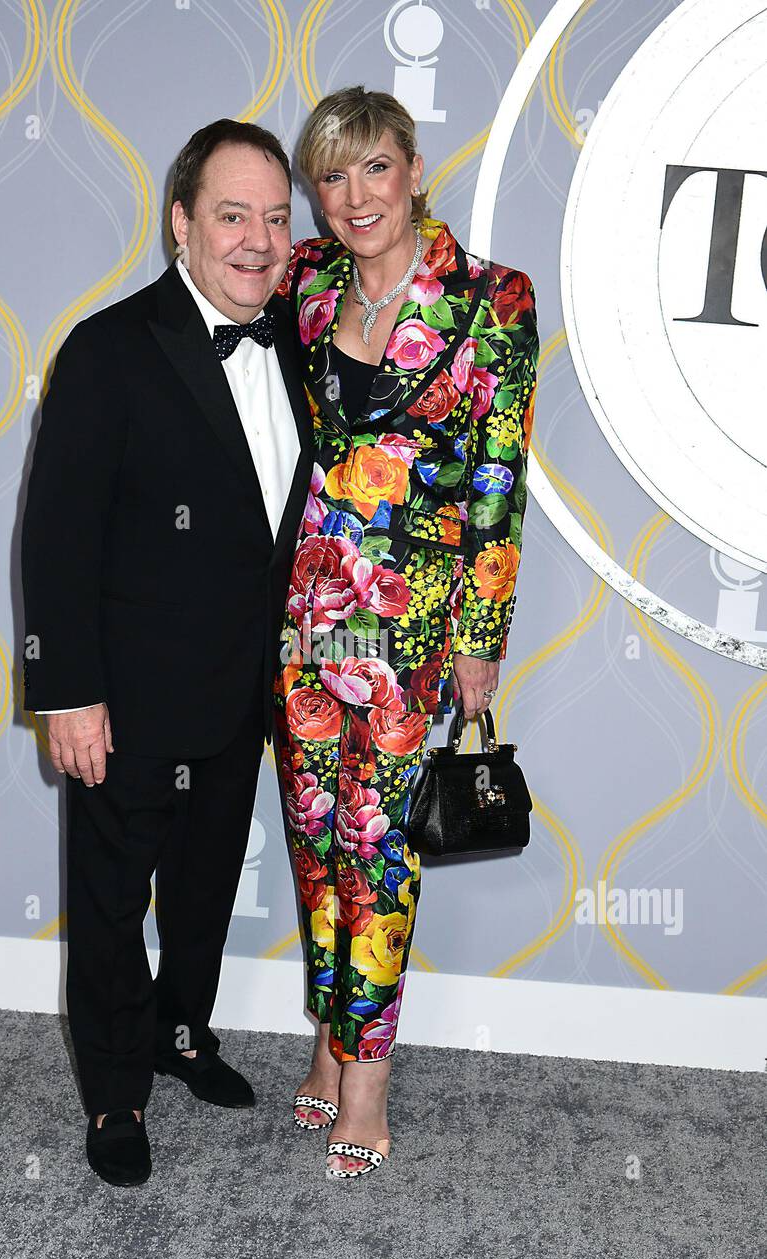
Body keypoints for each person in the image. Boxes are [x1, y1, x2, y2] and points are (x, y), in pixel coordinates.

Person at [21, 119, 313, 1186]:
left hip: (243, 694)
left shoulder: (292, 340)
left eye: (276, 219)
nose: (257, 240)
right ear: (181, 224)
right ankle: (113, 1096)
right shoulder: (108, 349)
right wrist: (68, 693)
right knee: (113, 903)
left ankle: (182, 1033)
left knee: (201, 890)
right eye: (232, 215)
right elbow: (55, 534)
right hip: (127, 699)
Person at [273, 87, 539, 1179]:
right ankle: (330, 1041)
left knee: (377, 854)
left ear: (413, 167)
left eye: (371, 168)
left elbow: (495, 475)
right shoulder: (303, 282)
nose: (351, 197)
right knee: (311, 834)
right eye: (330, 177)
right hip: (309, 611)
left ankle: (368, 1077)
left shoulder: (492, 300)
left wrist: (481, 633)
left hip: (416, 626)